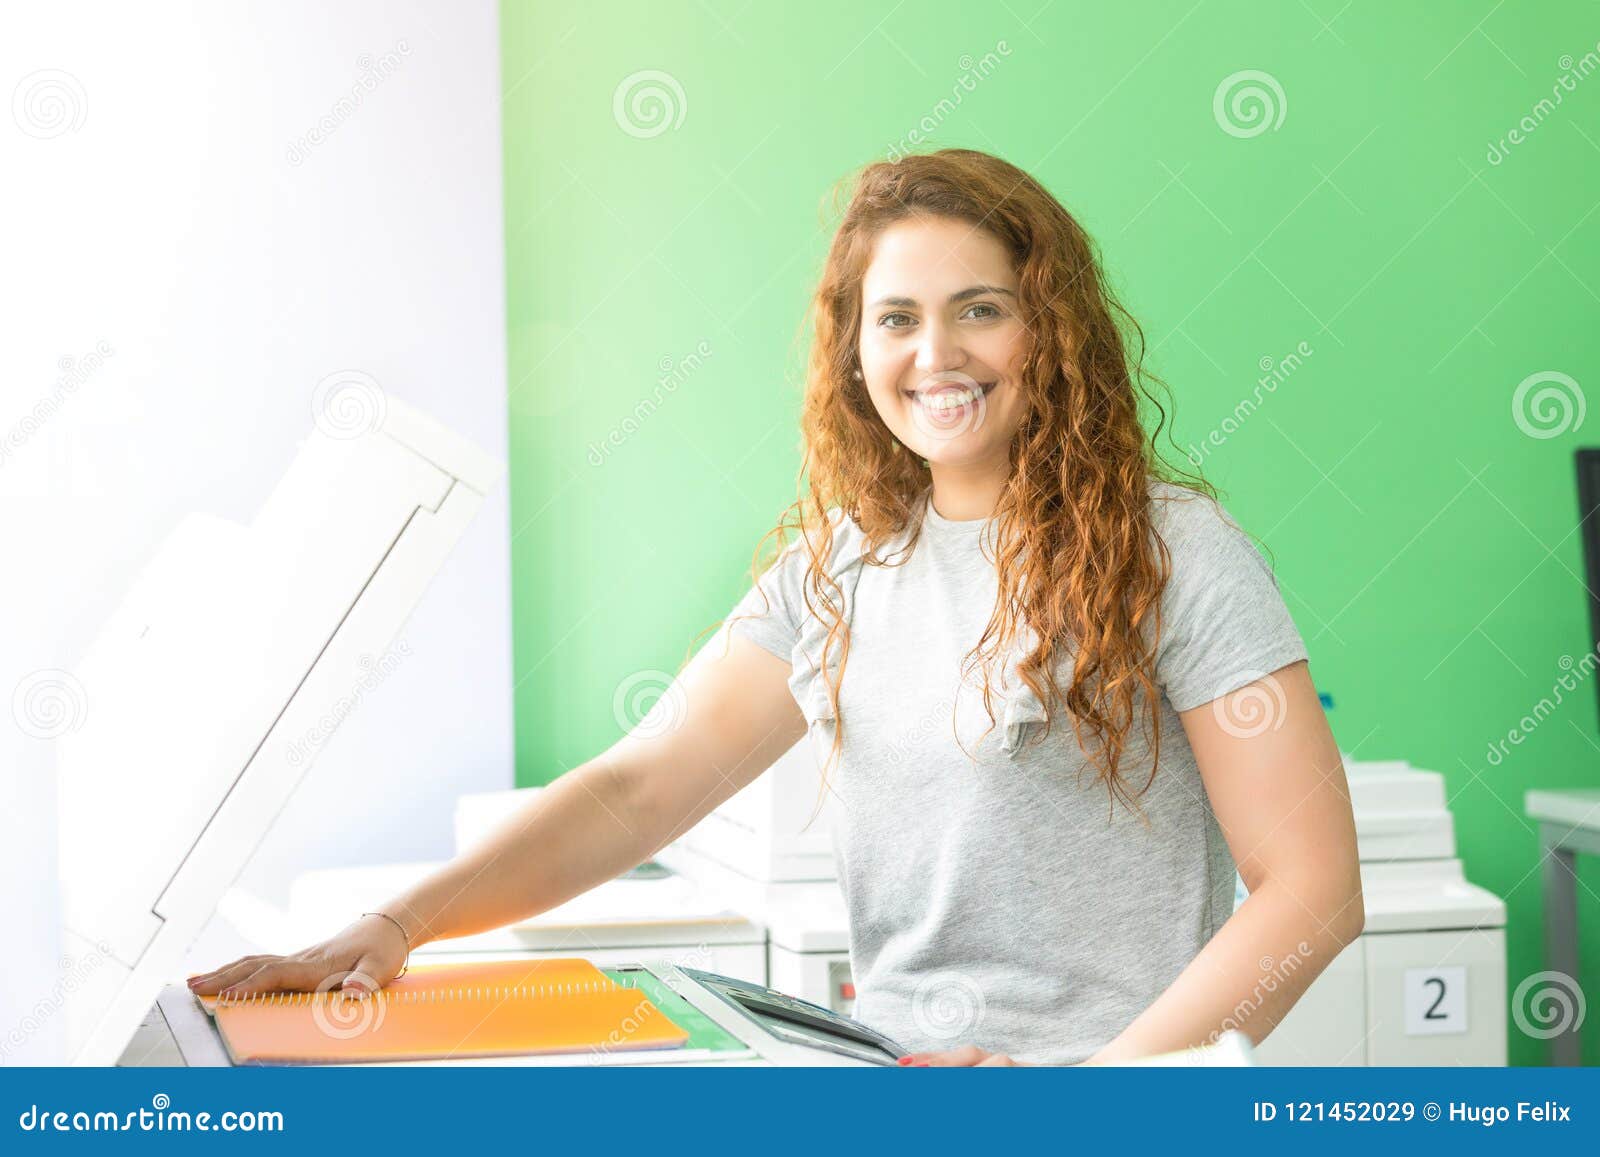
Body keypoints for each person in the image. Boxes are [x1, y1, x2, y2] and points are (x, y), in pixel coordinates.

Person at [191, 148, 1363, 1066]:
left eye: (980, 309)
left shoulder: (1175, 551)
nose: (935, 352)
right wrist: (395, 926)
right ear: (855, 350)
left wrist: (1092, 1096)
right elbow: (637, 789)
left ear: (1050, 328)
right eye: (896, 318)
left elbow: (1313, 892)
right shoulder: (838, 567)